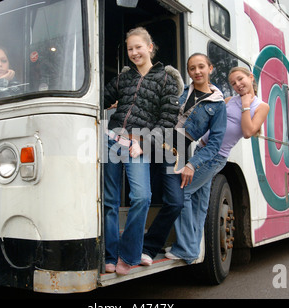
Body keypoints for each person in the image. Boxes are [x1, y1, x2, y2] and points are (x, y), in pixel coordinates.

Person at [166, 66, 269, 263]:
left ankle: (185, 247)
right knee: (200, 203)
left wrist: (246, 105)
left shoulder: (260, 105)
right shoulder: (229, 101)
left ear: (251, 77)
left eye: (240, 79)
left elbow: (248, 132)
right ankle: (192, 248)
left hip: (215, 156)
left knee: (182, 192)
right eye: (233, 83)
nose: (238, 85)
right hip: (202, 150)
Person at [103, 27, 183, 275]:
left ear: (150, 47)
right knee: (110, 202)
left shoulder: (167, 79)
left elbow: (167, 121)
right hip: (112, 140)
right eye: (130, 48)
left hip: (139, 145)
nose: (134, 52)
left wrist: (145, 143)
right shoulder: (124, 77)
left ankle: (129, 254)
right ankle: (109, 254)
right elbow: (101, 97)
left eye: (139, 47)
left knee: (141, 197)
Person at [141, 53, 227, 266]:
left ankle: (149, 248)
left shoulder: (217, 105)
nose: (197, 72)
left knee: (176, 201)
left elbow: (215, 144)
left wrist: (191, 164)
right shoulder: (180, 90)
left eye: (201, 67)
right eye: (192, 68)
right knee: (141, 194)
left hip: (177, 146)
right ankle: (132, 244)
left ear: (210, 68)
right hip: (154, 137)